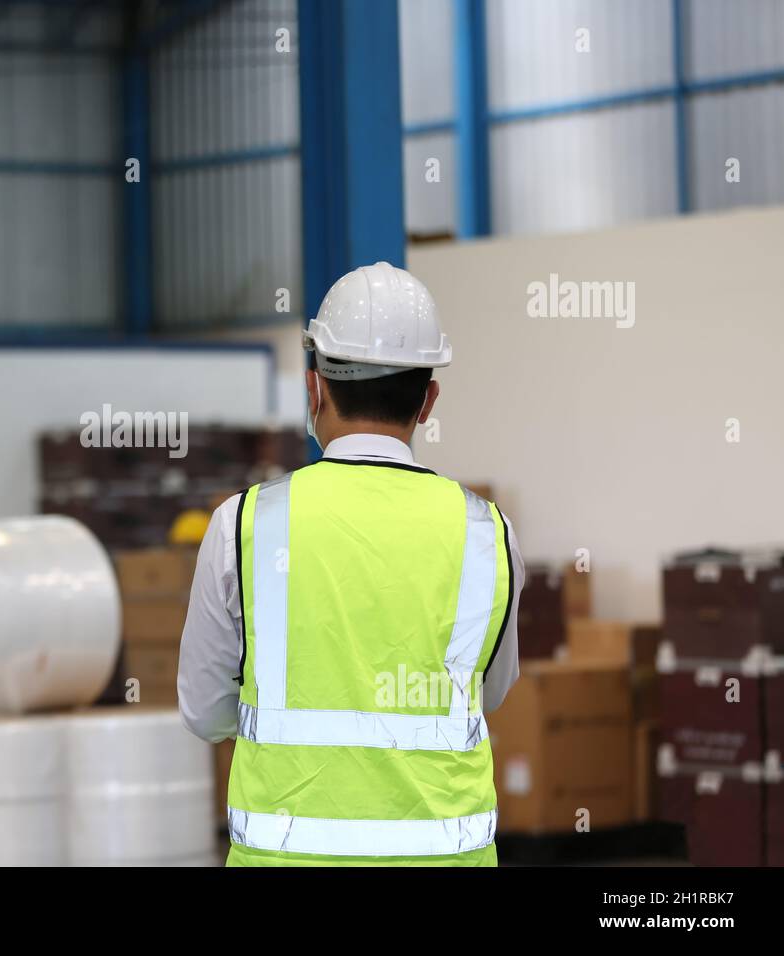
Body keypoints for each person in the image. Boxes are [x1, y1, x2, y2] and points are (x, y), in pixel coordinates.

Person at [177, 261, 524, 866]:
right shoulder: (487, 533)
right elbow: (487, 693)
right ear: (428, 401)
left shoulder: (243, 525)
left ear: (314, 389)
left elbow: (205, 712)